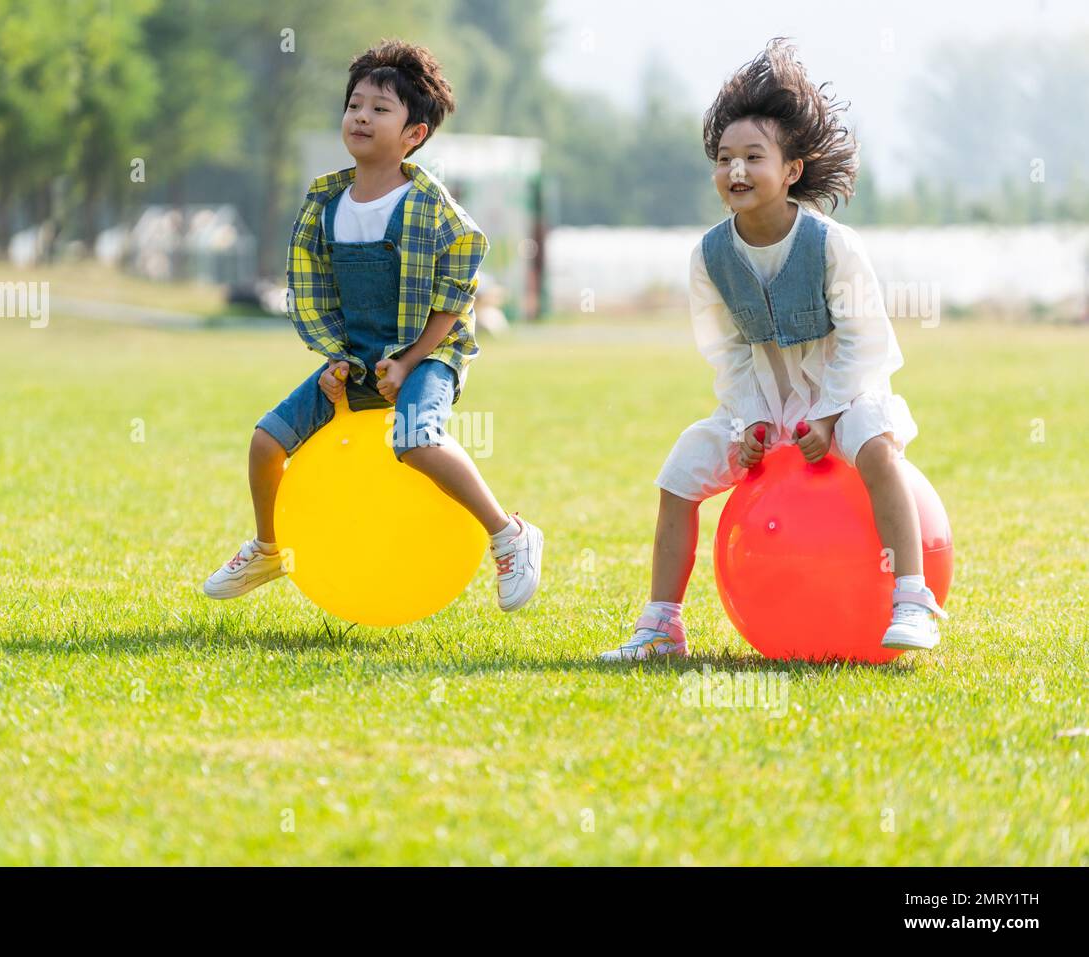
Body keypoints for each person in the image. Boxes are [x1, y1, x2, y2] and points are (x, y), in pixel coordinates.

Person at [601, 38, 945, 661]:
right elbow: (727, 352)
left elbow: (867, 338)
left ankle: (913, 597)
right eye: (724, 158)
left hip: (845, 397)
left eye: (753, 157)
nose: (736, 171)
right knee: (680, 470)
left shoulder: (831, 243)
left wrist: (831, 412)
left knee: (875, 444)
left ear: (791, 170)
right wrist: (750, 419)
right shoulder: (709, 256)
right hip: (765, 406)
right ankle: (662, 625)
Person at [204, 39, 543, 613]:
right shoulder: (326, 205)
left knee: (414, 442)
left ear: (415, 134)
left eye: (380, 109)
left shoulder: (432, 209)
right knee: (266, 442)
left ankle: (508, 533)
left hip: (429, 355)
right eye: (354, 104)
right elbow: (318, 290)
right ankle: (268, 545)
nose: (361, 116)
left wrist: (411, 361)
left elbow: (456, 295)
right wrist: (336, 358)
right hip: (356, 355)